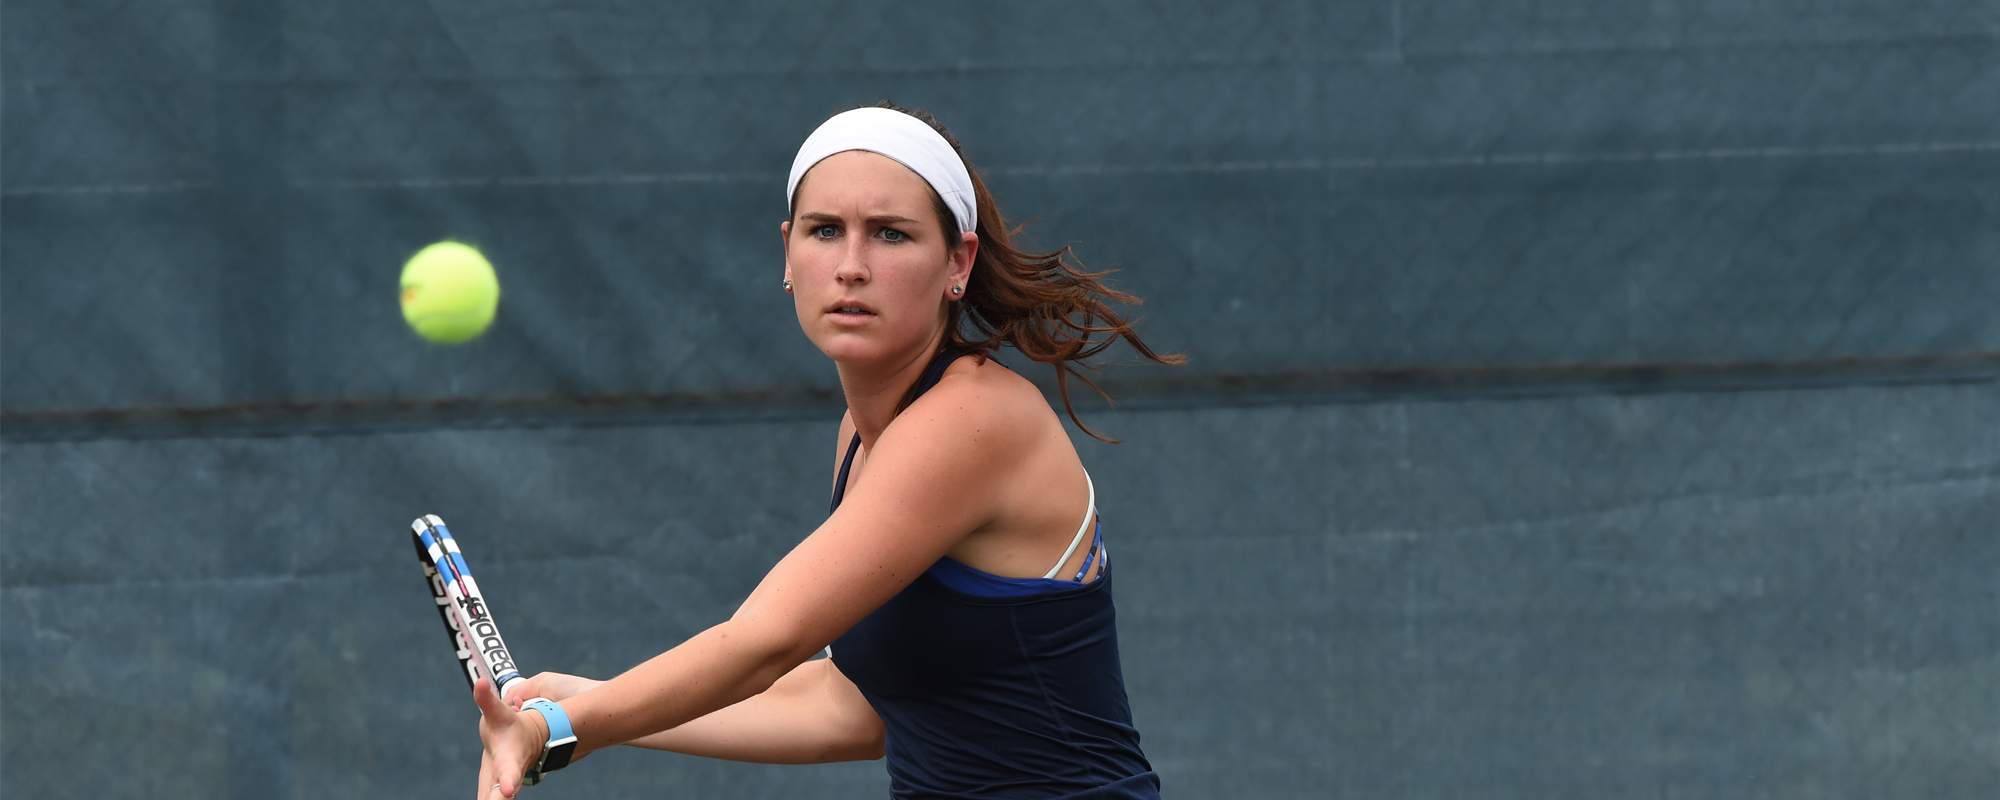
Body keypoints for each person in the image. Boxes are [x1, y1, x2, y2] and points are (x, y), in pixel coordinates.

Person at [473, 102, 1181, 800]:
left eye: (891, 234)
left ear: (957, 263)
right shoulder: (864, 436)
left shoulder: (972, 420)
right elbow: (850, 709)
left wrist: (561, 728)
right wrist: (592, 702)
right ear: (788, 253)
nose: (850, 265)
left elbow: (766, 641)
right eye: (824, 231)